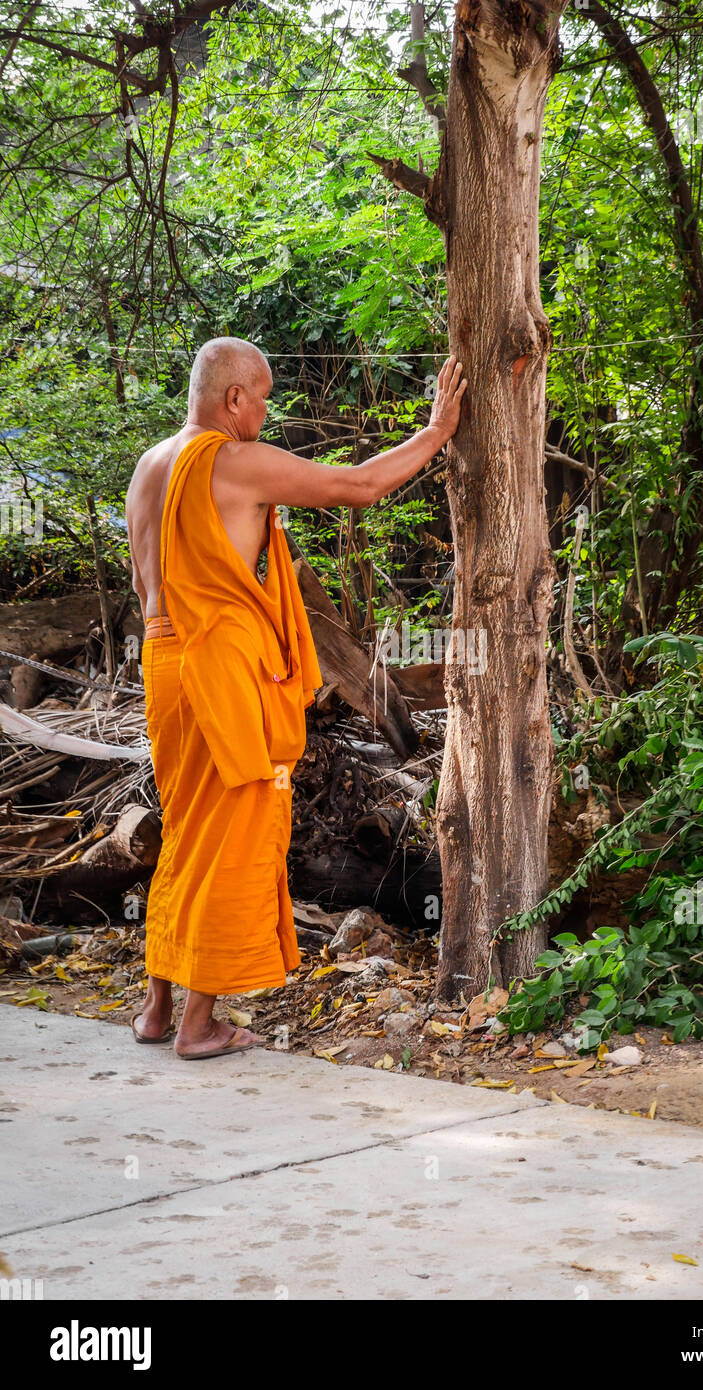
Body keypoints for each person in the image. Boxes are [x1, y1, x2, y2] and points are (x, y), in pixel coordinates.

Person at [125, 339, 466, 1058]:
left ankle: (156, 1009)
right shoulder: (231, 461)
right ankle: (198, 1024)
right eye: (265, 396)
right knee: (237, 830)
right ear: (233, 399)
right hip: (219, 669)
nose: (268, 411)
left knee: (188, 829)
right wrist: (435, 432)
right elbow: (358, 485)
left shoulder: (150, 467)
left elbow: (143, 587)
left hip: (164, 661)